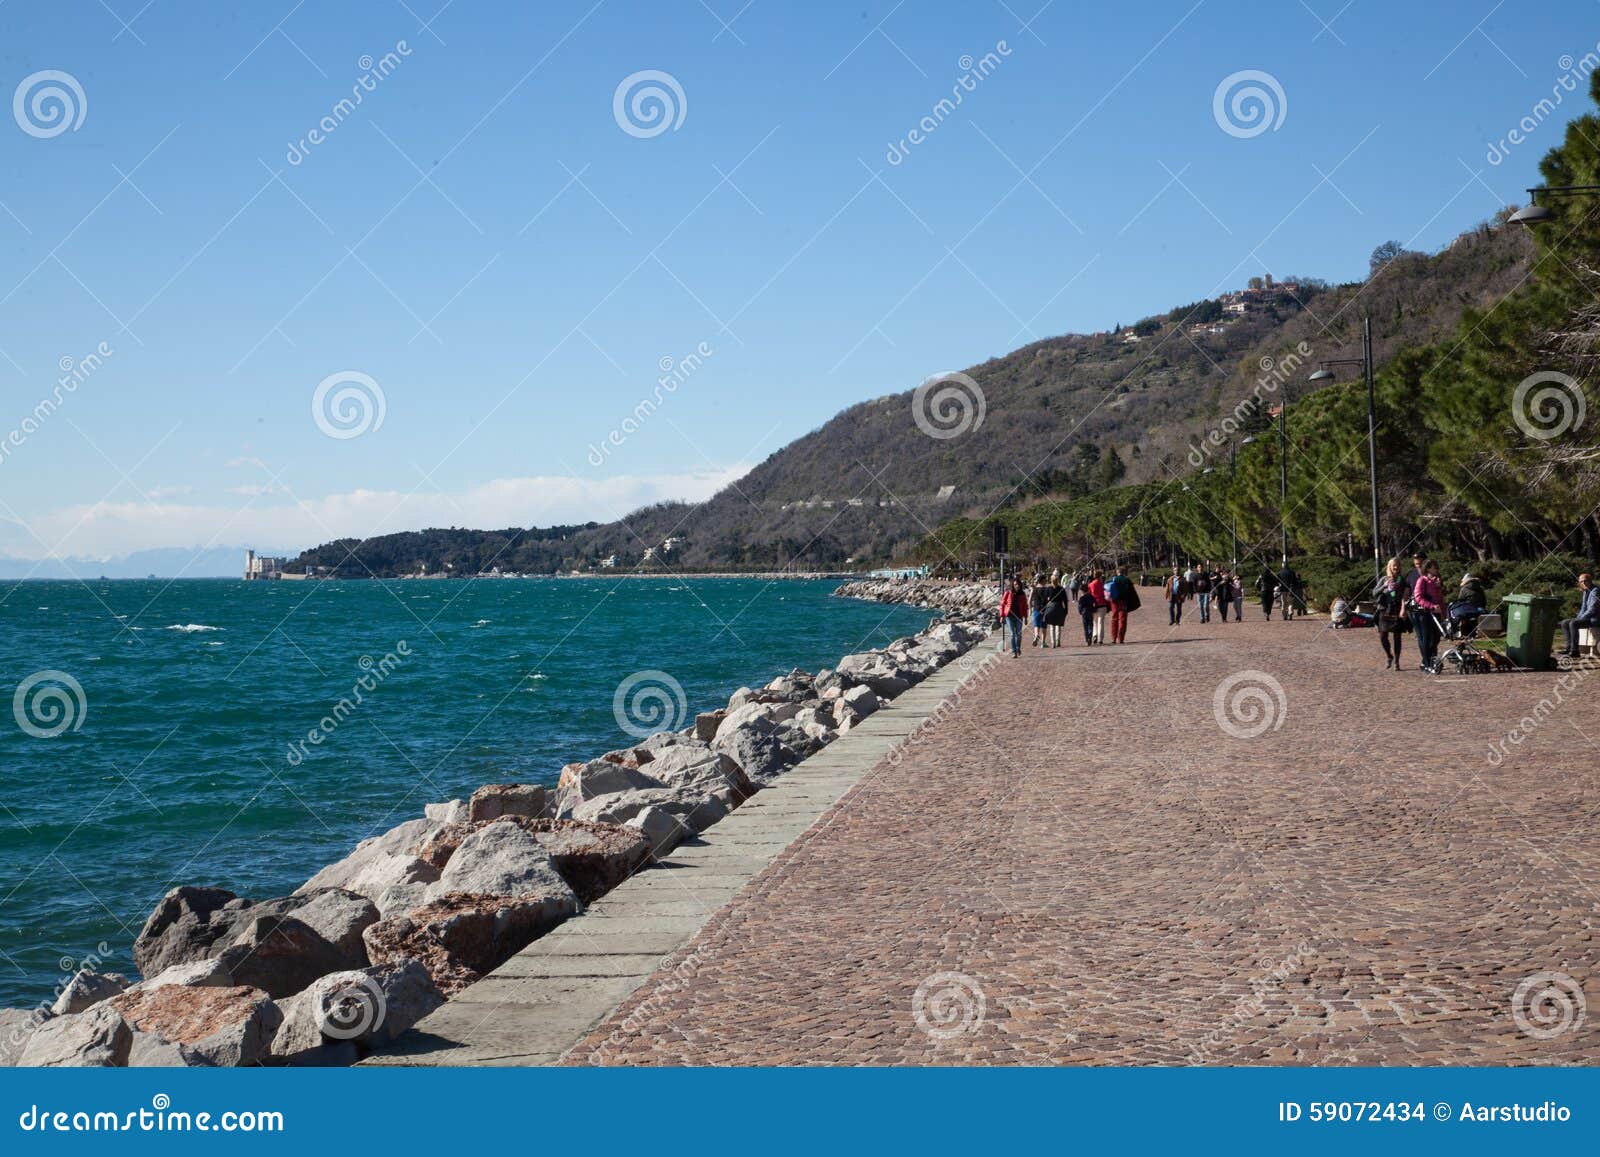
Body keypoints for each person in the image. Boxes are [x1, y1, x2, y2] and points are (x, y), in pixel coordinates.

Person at [1410, 559, 1446, 673]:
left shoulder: (1437, 581)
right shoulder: (1422, 580)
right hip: (1423, 613)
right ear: (1428, 568)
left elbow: (1440, 599)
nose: (1436, 570)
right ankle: (1426, 663)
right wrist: (1431, 606)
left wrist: (1443, 613)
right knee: (1426, 638)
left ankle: (1433, 660)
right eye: (1434, 567)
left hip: (1436, 614)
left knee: (1435, 638)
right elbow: (1418, 597)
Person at [1374, 557, 1408, 670]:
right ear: (1389, 567)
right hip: (1384, 609)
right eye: (1394, 565)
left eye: (1397, 565)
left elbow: (1406, 595)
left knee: (1397, 637)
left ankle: (1397, 662)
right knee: (1383, 636)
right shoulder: (1384, 579)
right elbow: (1374, 592)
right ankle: (1389, 656)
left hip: (1397, 609)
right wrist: (1384, 586)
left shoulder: (1401, 580)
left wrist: (1403, 608)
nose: (1396, 567)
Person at [1559, 573, 1600, 659]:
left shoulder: (1595, 591)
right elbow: (1583, 608)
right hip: (1588, 618)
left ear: (1590, 581)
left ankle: (1575, 651)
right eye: (1581, 582)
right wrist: (1578, 617)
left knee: (1574, 623)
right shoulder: (1585, 591)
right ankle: (1569, 648)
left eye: (1585, 581)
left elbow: (1592, 609)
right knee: (1565, 622)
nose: (1583, 583)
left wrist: (1580, 618)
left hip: (1595, 619)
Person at [1107, 565, 1139, 643]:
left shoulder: (1113, 579)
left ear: (1117, 572)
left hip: (1114, 602)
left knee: (1114, 619)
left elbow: (1107, 590)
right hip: (1123, 602)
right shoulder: (1126, 580)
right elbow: (1132, 593)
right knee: (1122, 620)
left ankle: (1113, 638)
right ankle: (1121, 638)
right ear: (1124, 572)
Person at [999, 576, 1028, 658]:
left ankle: (1018, 648)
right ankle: (1013, 651)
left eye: (1018, 584)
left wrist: (1025, 617)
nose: (1017, 586)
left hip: (1019, 616)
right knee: (1012, 634)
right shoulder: (1008, 592)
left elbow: (1025, 606)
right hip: (1009, 616)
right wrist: (1002, 616)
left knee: (1019, 634)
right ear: (1013, 585)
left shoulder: (1022, 594)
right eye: (1015, 584)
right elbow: (1002, 604)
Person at [1041, 573, 1068, 648]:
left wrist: (1042, 609)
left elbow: (1044, 600)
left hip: (1050, 607)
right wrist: (1066, 609)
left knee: (1051, 625)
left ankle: (1053, 642)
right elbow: (1065, 600)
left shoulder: (1048, 588)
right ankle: (1058, 641)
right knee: (1058, 625)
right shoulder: (1061, 589)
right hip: (1059, 606)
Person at [1088, 568, 1110, 645]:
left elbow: (1089, 595)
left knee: (1095, 621)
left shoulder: (1090, 584)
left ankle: (1095, 635)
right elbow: (1105, 594)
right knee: (1101, 622)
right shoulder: (1102, 584)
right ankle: (1100, 638)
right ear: (1100, 576)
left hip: (1094, 605)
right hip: (1102, 604)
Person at [1029, 572, 1050, 647]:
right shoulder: (1046, 589)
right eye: (1045, 580)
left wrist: (1030, 609)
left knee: (1036, 625)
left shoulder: (1033, 589)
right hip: (1044, 610)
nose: (1046, 581)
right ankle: (1043, 643)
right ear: (1042, 580)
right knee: (1044, 626)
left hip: (1036, 609)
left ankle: (1036, 635)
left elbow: (1029, 600)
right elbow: (1049, 599)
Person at [1076, 580, 1098, 645]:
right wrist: (1094, 609)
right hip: (1090, 612)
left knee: (1085, 626)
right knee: (1090, 625)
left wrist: (1080, 611)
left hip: (1084, 613)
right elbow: (1095, 603)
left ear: (1082, 591)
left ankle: (1087, 639)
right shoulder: (1091, 596)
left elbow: (1080, 606)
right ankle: (1090, 637)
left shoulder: (1081, 598)